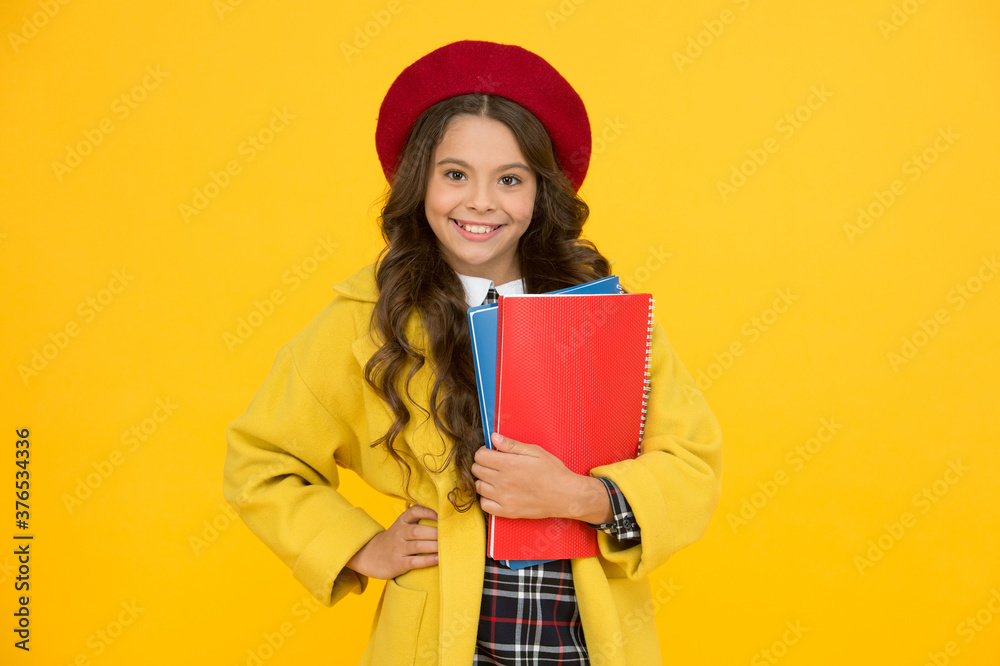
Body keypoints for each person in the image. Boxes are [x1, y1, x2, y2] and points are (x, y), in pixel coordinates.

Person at [223, 40, 723, 665]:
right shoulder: (367, 317)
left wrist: (577, 497)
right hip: (438, 641)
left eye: (509, 179)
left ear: (541, 193)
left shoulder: (600, 312)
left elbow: (692, 463)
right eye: (455, 174)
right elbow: (260, 459)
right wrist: (358, 546)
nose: (480, 202)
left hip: (586, 640)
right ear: (419, 182)